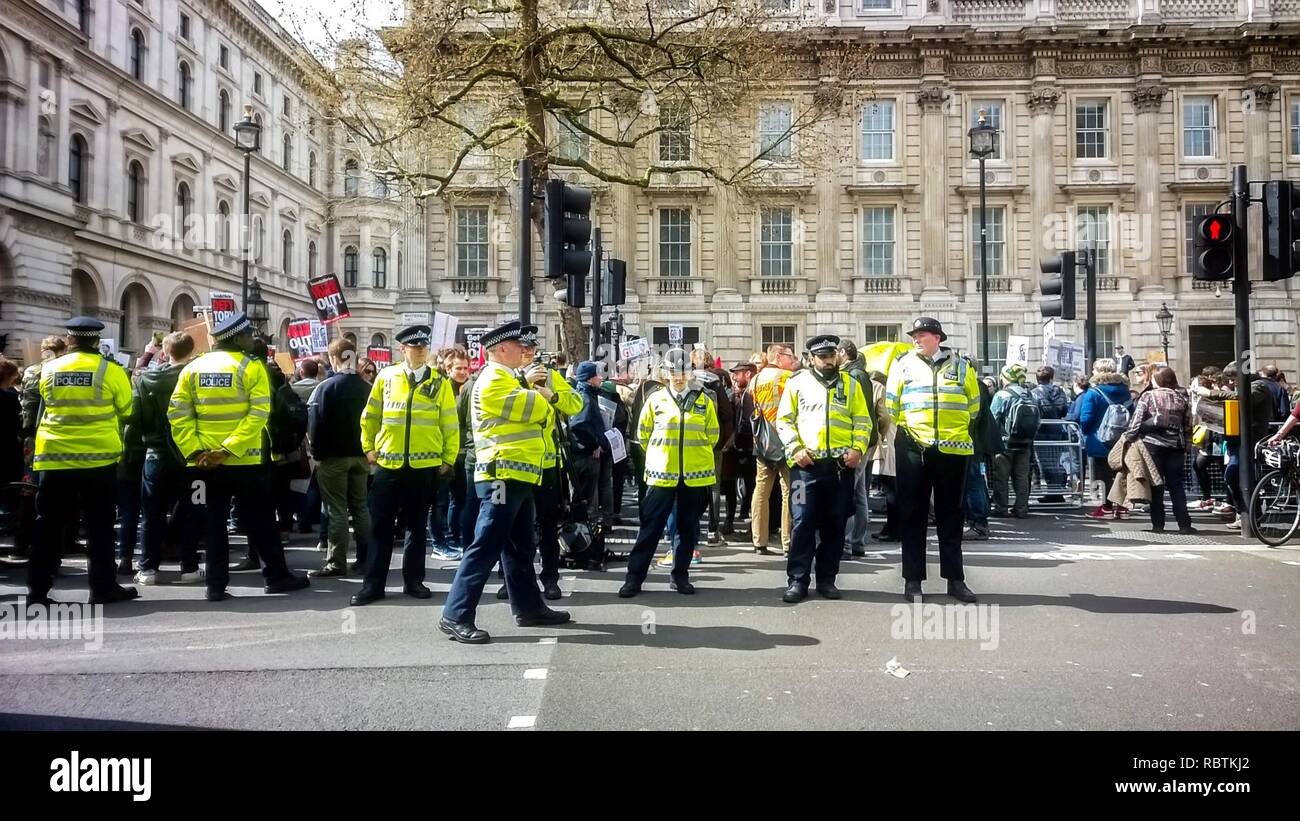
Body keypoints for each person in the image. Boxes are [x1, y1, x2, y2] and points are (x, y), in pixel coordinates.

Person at [441, 320, 571, 643]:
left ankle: (528, 608)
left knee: (520, 548)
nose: (526, 351)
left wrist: (536, 391)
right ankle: (455, 614)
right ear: (501, 349)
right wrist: (541, 394)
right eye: (518, 346)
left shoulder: (510, 378)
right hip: (501, 474)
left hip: (518, 474)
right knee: (486, 544)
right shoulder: (494, 379)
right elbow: (537, 410)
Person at [169, 313, 311, 601]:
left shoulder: (192, 368)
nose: (252, 339)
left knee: (213, 524)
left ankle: (215, 585)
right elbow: (259, 414)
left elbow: (178, 414)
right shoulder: (251, 367)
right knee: (261, 521)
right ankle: (276, 576)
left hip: (203, 465)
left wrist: (196, 451)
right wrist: (228, 449)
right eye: (248, 335)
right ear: (236, 338)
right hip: (246, 462)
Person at [27, 317, 138, 606]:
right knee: (100, 529)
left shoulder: (48, 369)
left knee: (47, 528)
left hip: (54, 459)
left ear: (70, 338)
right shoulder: (110, 371)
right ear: (96, 341)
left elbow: (42, 408)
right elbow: (127, 410)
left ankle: (37, 592)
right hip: (97, 461)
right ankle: (102, 588)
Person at [351, 324, 459, 605]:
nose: (420, 351)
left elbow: (449, 422)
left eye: (423, 347)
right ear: (403, 350)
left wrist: (448, 458)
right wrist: (369, 448)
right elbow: (371, 415)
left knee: (416, 527)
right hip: (389, 464)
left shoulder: (439, 382)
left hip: (424, 466)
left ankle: (414, 581)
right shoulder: (387, 377)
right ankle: (373, 585)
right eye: (414, 347)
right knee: (380, 528)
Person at [885, 317, 980, 603]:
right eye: (914, 335)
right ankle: (912, 581)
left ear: (938, 338)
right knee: (912, 515)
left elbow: (974, 407)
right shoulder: (902, 365)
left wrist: (952, 431)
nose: (916, 339)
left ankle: (955, 580)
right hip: (913, 446)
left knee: (952, 517)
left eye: (922, 335)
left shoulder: (962, 367)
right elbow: (893, 405)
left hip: (953, 449)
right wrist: (917, 433)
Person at [775, 334, 872, 602]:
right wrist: (796, 449)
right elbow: (784, 420)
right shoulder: (797, 383)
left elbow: (863, 420)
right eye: (823, 357)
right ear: (811, 359)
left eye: (832, 356)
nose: (828, 361)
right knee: (802, 523)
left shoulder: (851, 384)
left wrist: (858, 449)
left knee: (835, 524)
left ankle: (827, 579)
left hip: (840, 467)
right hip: (805, 468)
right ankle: (797, 580)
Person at [619, 348, 719, 598]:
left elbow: (713, 434)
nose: (678, 376)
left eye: (683, 371)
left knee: (687, 530)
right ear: (665, 373)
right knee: (650, 529)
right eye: (673, 371)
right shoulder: (656, 399)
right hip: (661, 475)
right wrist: (661, 456)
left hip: (694, 476)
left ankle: (680, 576)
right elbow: (642, 434)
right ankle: (634, 579)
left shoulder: (703, 400)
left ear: (690, 372)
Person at [130, 331, 203, 585]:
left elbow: (134, 419)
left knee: (152, 514)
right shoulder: (198, 377)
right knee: (194, 512)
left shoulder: (145, 379)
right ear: (191, 351)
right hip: (192, 458)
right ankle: (190, 567)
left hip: (155, 455)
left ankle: (148, 568)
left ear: (165, 352)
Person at [307, 337, 371, 577]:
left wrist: (317, 455)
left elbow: (316, 424)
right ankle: (365, 558)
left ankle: (336, 561)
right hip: (361, 456)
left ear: (334, 358)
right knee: (361, 507)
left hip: (333, 457)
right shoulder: (367, 387)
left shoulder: (325, 387)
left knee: (337, 510)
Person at [1123, 367, 1195, 534]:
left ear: (1158, 380)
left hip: (1152, 445)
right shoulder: (1182, 397)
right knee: (1177, 486)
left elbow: (1136, 421)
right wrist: (1187, 445)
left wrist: (1129, 437)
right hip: (1176, 446)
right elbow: (1188, 424)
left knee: (1156, 486)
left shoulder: (1148, 396)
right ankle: (1184, 525)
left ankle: (1158, 525)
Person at [751, 343, 797, 555]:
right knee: (788, 490)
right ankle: (787, 542)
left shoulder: (755, 379)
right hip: (785, 441)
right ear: (779, 357)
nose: (793, 360)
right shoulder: (787, 378)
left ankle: (759, 540)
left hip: (762, 441)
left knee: (761, 490)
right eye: (789, 356)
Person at [836, 339, 879, 556]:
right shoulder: (861, 374)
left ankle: (845, 541)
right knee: (860, 491)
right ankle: (857, 541)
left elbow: (857, 412)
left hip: (857, 442)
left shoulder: (853, 376)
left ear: (843, 352)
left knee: (849, 490)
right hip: (866, 440)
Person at [1078, 358, 1134, 519]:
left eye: (1095, 370)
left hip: (1098, 440)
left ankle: (1107, 508)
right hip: (1121, 439)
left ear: (1100, 371)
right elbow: (1132, 412)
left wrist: (1086, 432)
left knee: (1103, 475)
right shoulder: (1125, 391)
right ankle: (1123, 507)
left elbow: (1085, 419)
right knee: (1120, 473)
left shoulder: (1093, 392)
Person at [691, 348, 733, 547]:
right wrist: (723, 440)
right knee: (714, 486)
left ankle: (690, 528)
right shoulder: (715, 382)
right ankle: (713, 531)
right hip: (713, 441)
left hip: (690, 441)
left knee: (690, 485)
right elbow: (726, 413)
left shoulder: (687, 381)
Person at [568, 361, 610, 567]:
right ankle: (584, 546)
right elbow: (579, 425)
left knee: (585, 502)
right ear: (589, 378)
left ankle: (585, 544)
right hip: (585, 456)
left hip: (584, 455)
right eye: (597, 376)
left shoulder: (586, 395)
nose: (600, 379)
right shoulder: (584, 397)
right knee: (585, 502)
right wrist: (594, 443)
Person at [988, 363, 1037, 519]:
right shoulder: (1029, 394)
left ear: (1005, 377)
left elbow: (993, 418)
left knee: (1001, 477)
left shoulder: (1002, 395)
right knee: (1022, 476)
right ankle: (1021, 508)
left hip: (1005, 442)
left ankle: (1001, 508)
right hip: (1025, 442)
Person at [964, 358, 1002, 540]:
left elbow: (973, 417)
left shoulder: (974, 386)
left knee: (973, 483)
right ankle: (977, 521)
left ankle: (979, 524)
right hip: (974, 441)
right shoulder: (979, 385)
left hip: (970, 442)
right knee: (974, 482)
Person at [722, 362, 757, 537]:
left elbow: (747, 423)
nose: (734, 378)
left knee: (752, 489)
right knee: (743, 487)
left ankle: (753, 529)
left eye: (738, 374)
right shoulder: (741, 394)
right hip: (742, 447)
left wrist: (735, 440)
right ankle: (744, 525)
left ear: (748, 374)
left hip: (748, 448)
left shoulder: (749, 394)